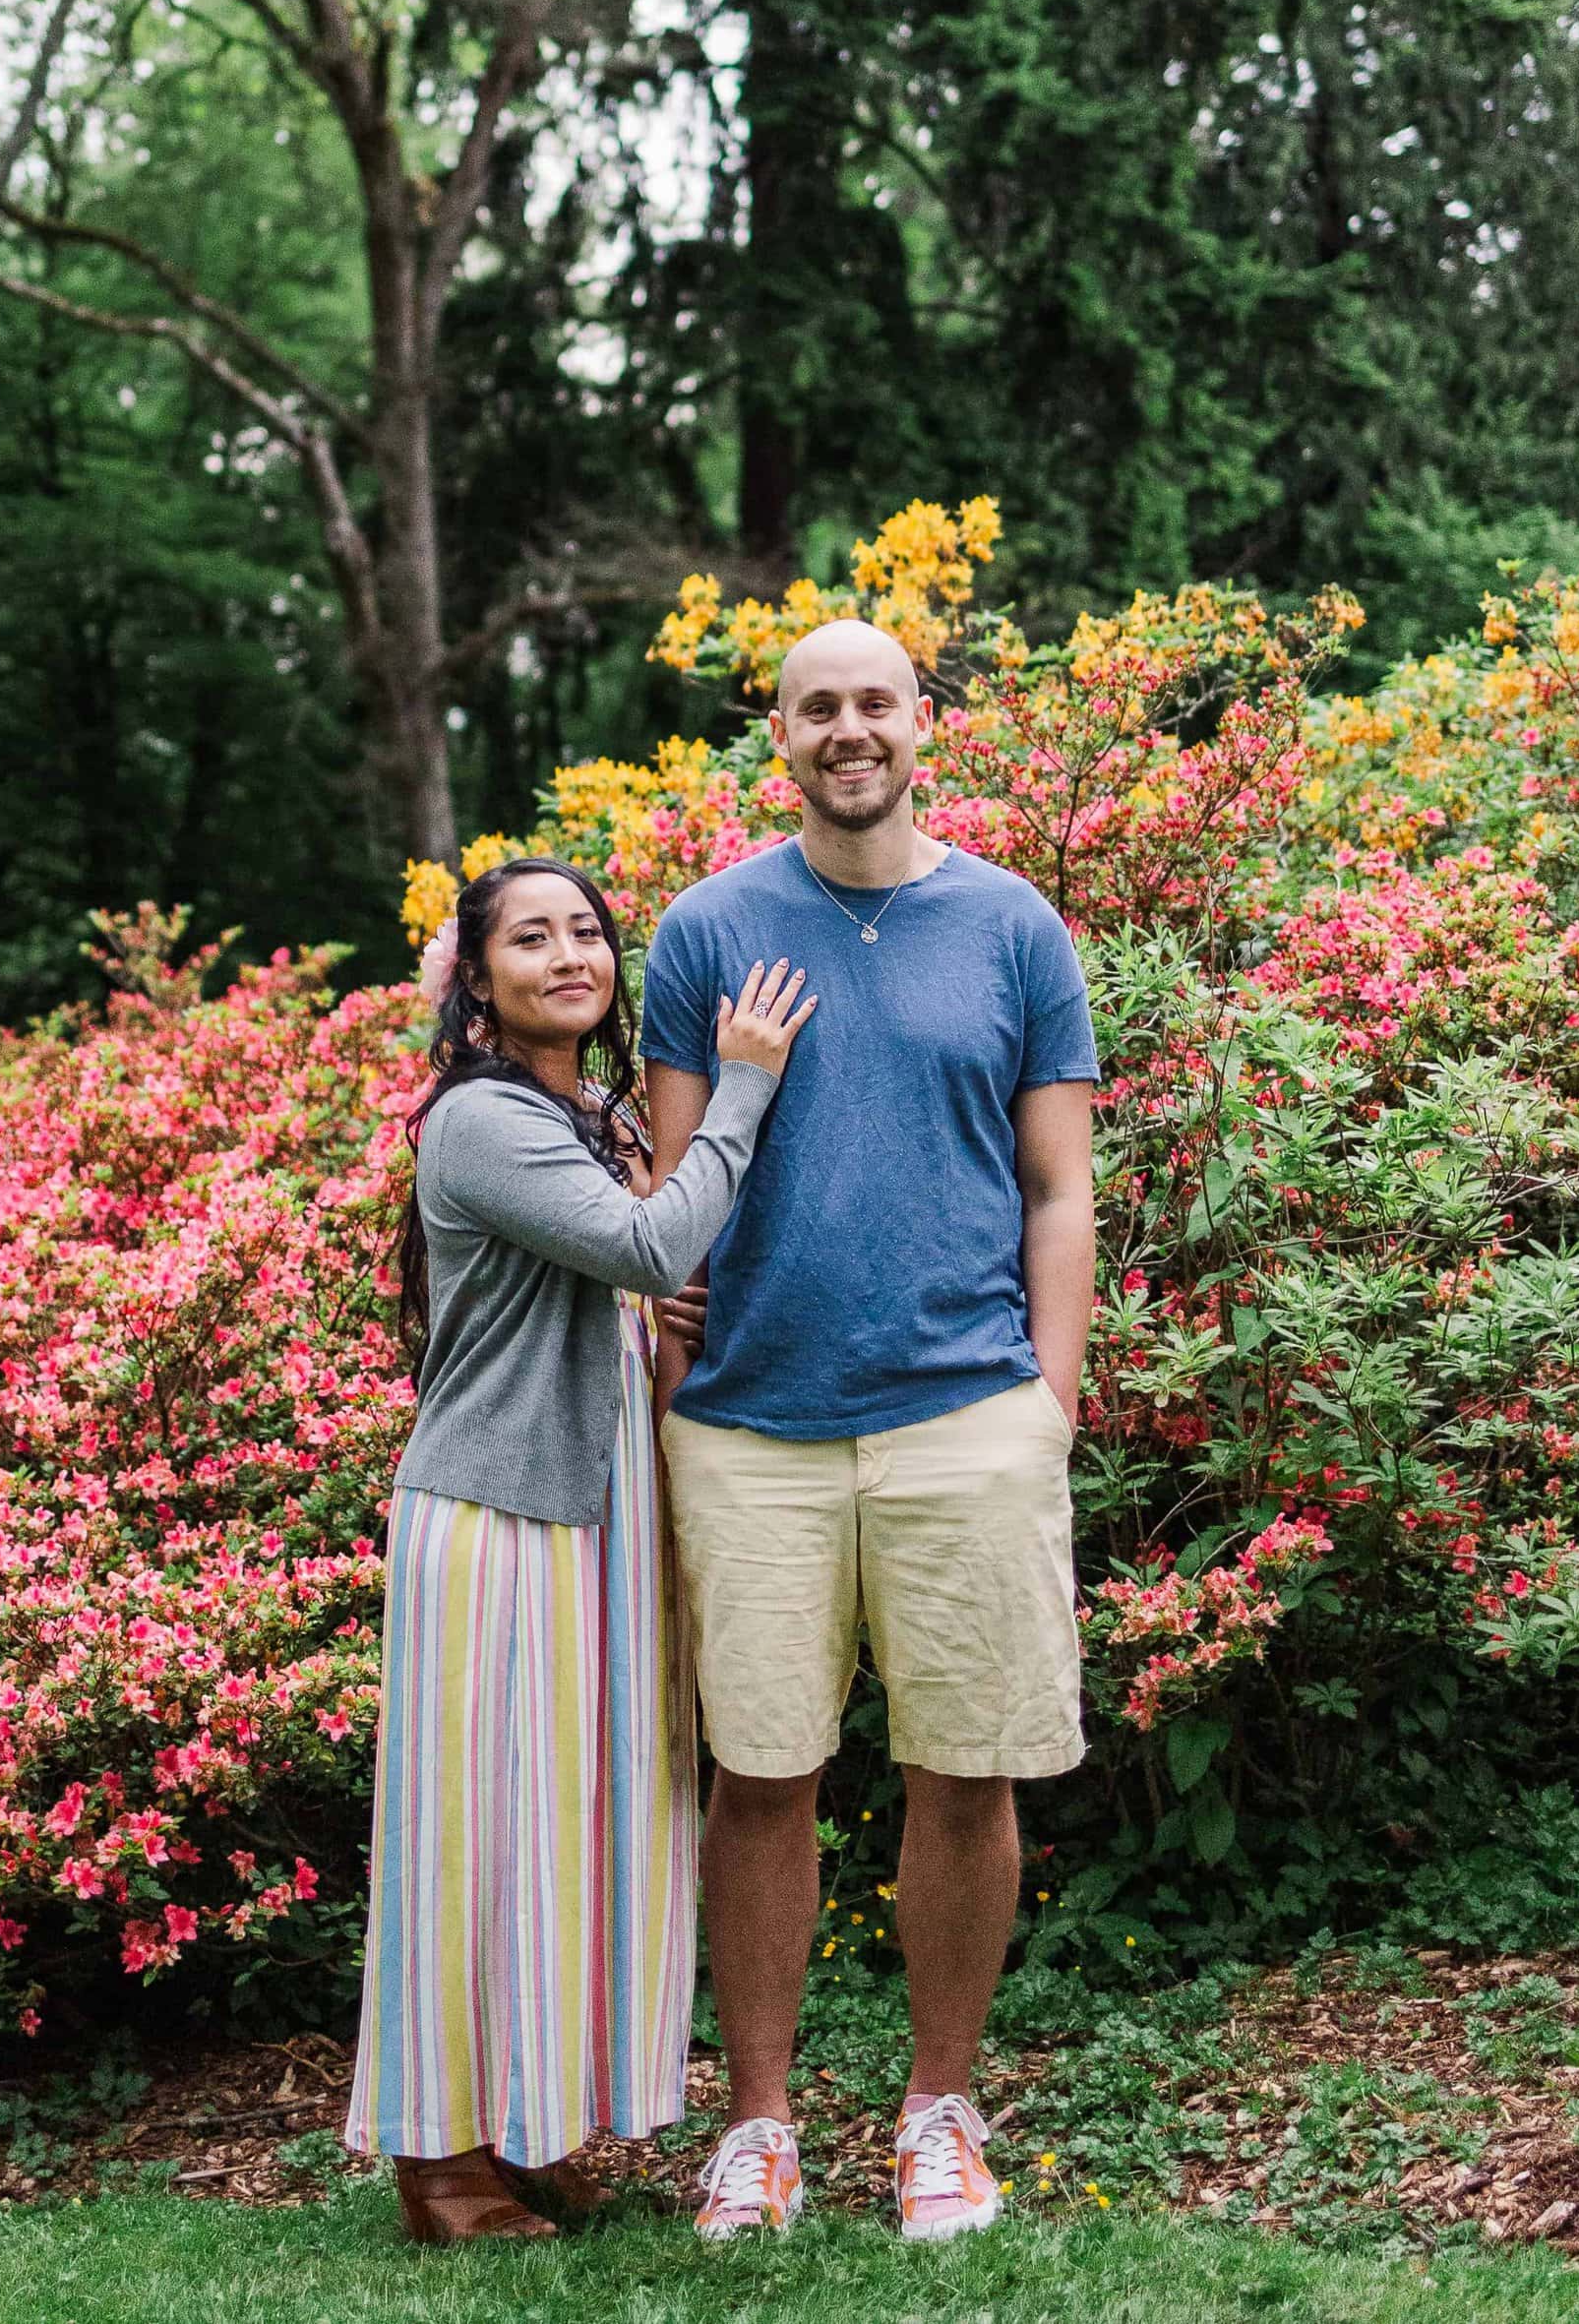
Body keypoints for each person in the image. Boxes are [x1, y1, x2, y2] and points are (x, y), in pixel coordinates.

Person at [642, 620, 1098, 2247]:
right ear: (782, 736)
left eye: (875, 703)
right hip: (753, 1426)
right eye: (818, 706)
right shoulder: (707, 931)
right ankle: (757, 2132)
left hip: (970, 1415)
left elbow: (1061, 1189)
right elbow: (677, 1200)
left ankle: (938, 2115)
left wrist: (1048, 1399)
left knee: (963, 1780)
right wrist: (668, 1331)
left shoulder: (1015, 927)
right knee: (759, 1778)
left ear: (925, 724)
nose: (851, 729)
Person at [344, 854, 816, 2245]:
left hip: (599, 1517)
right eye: (531, 938)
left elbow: (645, 1273)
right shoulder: (483, 1121)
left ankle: (524, 2131)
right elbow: (651, 1240)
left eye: (589, 933)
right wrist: (742, 1083)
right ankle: (438, 2164)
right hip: (497, 1523)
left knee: (566, 1834)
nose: (571, 955)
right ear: (477, 984)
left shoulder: (595, 1113)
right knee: (470, 1840)